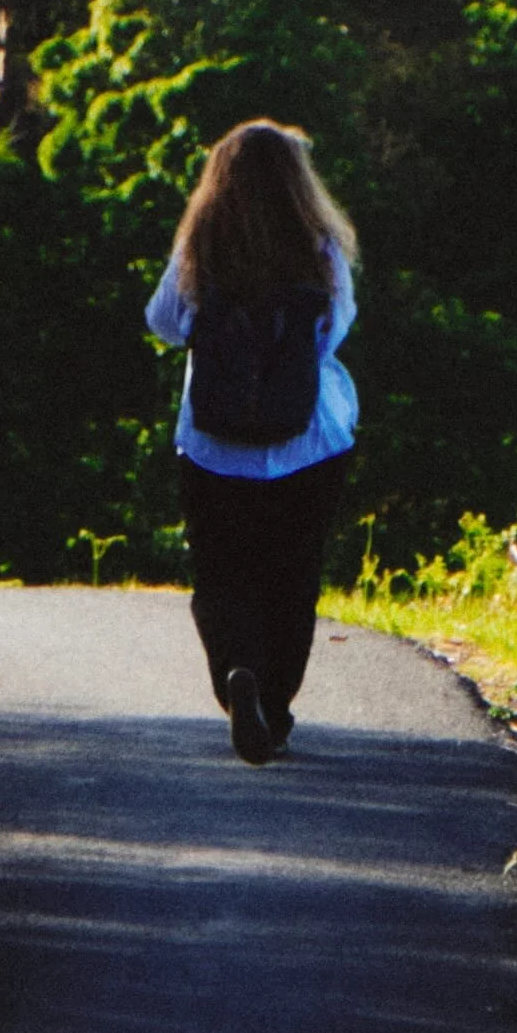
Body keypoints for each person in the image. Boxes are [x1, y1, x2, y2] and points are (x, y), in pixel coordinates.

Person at [146, 118, 359, 767]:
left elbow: (162, 322)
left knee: (221, 573)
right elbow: (336, 332)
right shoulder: (319, 248)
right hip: (307, 443)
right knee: (291, 577)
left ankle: (236, 672)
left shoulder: (202, 246)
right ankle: (276, 702)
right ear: (300, 183)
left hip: (213, 444)